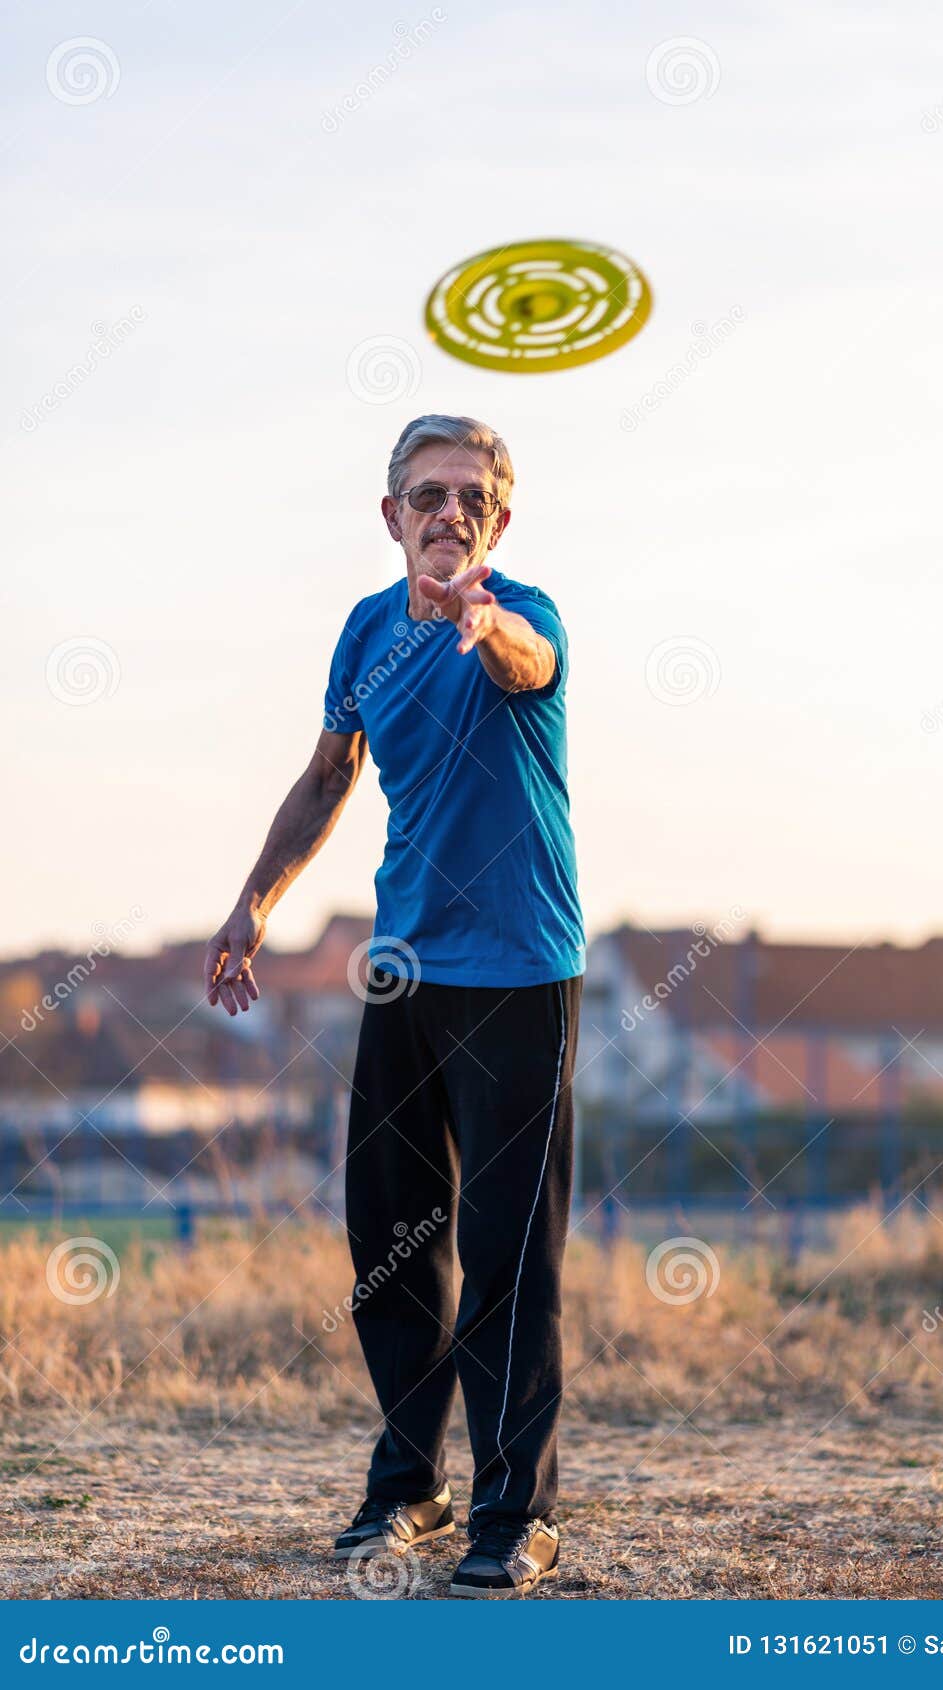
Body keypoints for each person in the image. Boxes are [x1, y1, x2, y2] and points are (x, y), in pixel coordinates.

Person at [204, 414, 585, 1598]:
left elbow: (527, 660)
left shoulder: (524, 617)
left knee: (507, 1252)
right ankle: (410, 1484)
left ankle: (515, 1512)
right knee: (388, 1242)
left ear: (499, 520)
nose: (448, 511)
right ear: (392, 515)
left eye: (472, 495)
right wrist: (254, 902)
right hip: (404, 970)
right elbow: (330, 775)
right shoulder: (366, 632)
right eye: (428, 493)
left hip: (521, 968)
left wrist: (481, 619)